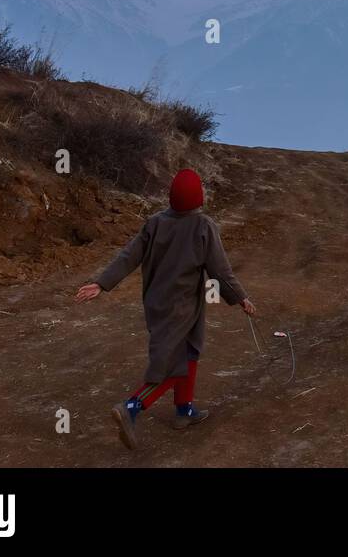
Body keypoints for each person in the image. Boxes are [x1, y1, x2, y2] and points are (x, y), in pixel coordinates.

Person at [74, 168, 255, 449]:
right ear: (198, 197)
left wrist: (102, 283)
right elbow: (220, 271)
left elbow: (129, 255)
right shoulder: (204, 226)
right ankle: (131, 407)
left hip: (157, 303)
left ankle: (185, 411)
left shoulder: (155, 222)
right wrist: (241, 298)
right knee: (173, 364)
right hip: (182, 307)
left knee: (189, 352)